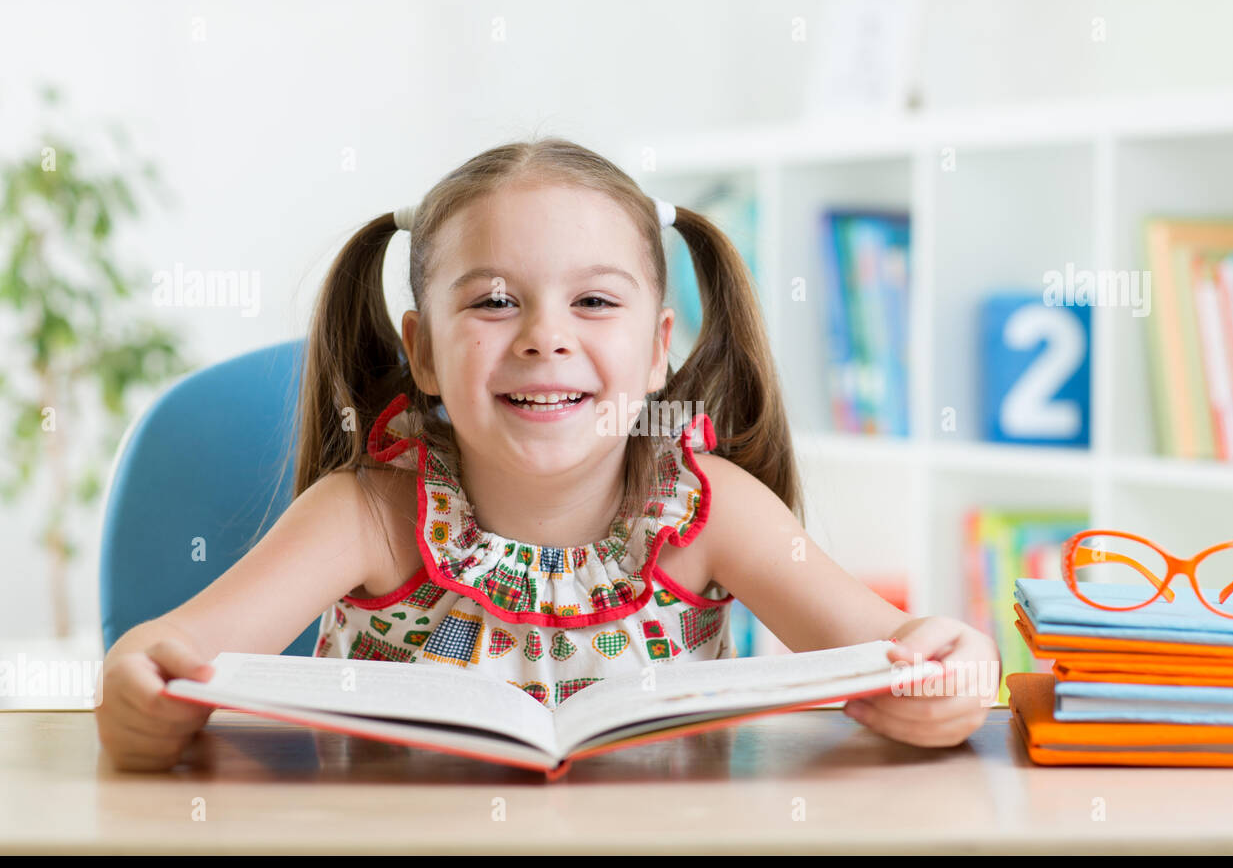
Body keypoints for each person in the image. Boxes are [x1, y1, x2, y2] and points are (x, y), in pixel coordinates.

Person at [96, 137, 1000, 771]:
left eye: (596, 304)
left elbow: (904, 655)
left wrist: (953, 676)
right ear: (423, 351)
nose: (545, 338)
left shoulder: (710, 510)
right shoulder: (367, 514)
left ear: (658, 350)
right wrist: (141, 700)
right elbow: (171, 654)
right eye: (494, 301)